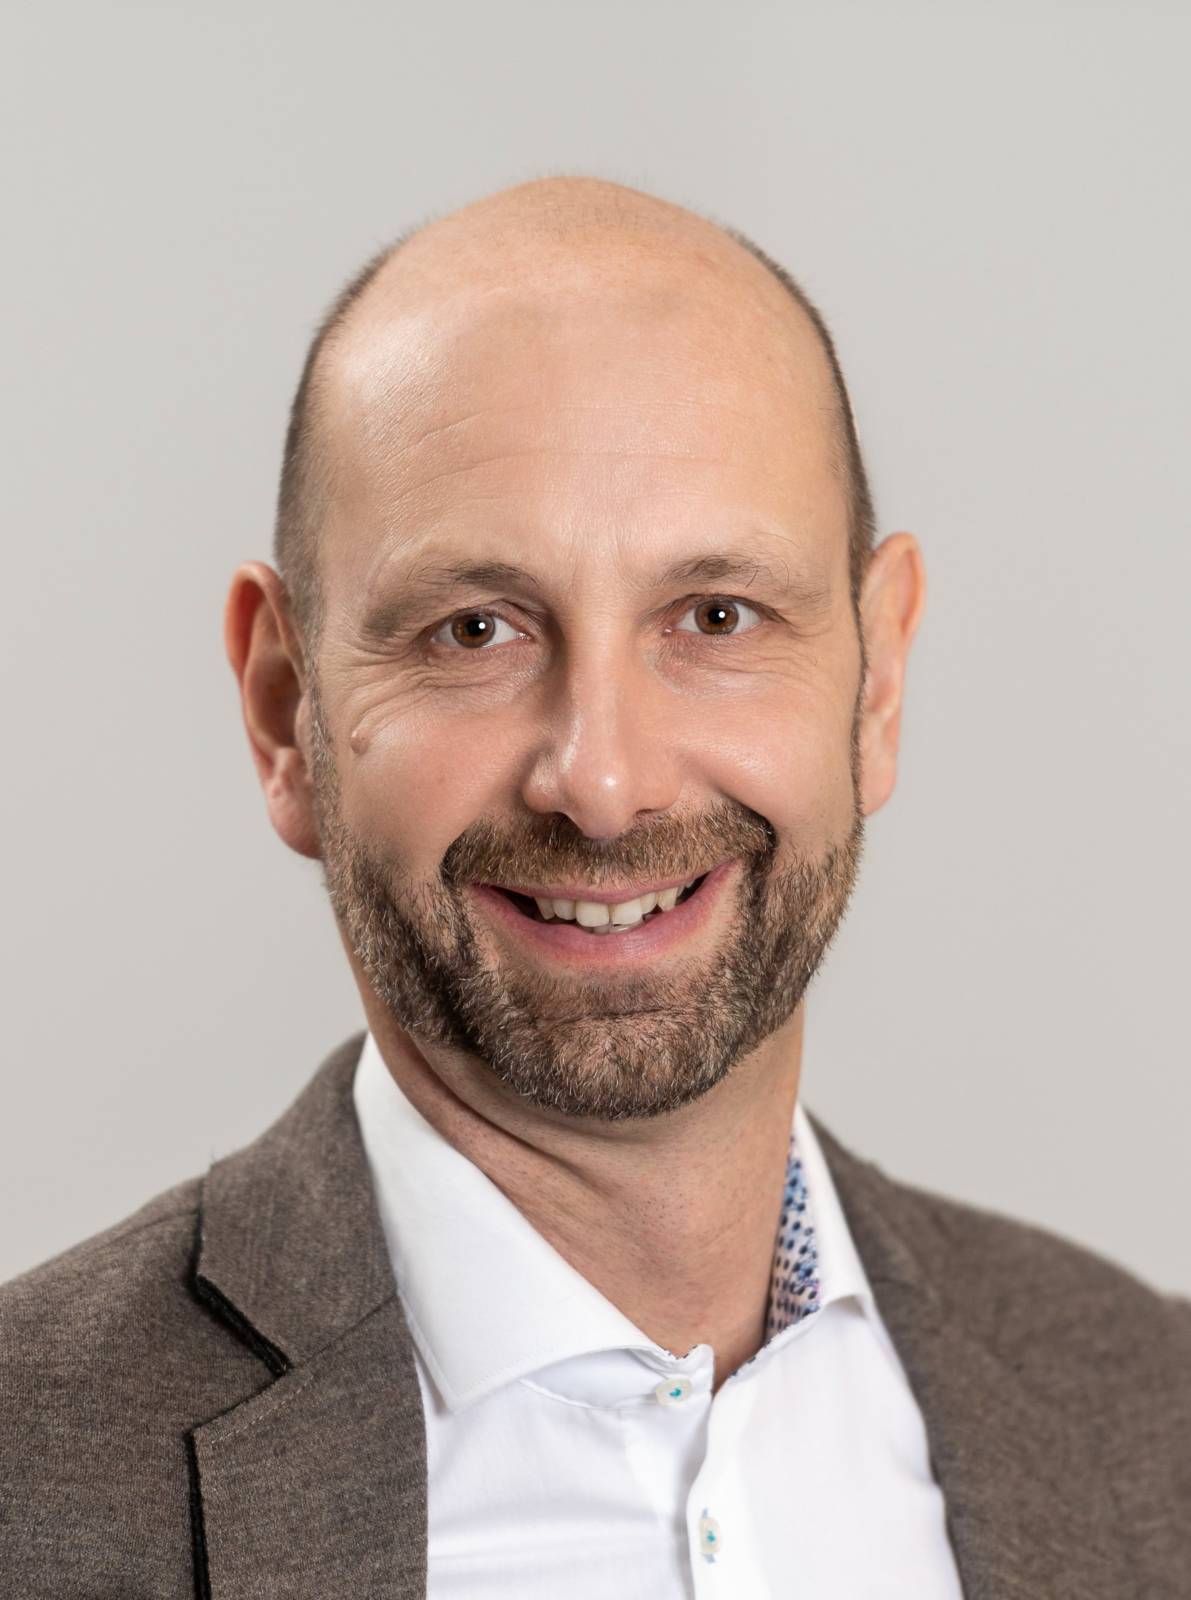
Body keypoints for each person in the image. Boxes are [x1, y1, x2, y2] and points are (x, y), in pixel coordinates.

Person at [1, 175, 1187, 1598]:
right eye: (475, 629)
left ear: (877, 682)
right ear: (283, 712)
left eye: (717, 617)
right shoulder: (28, 1479)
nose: (605, 782)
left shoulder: (1155, 1425)